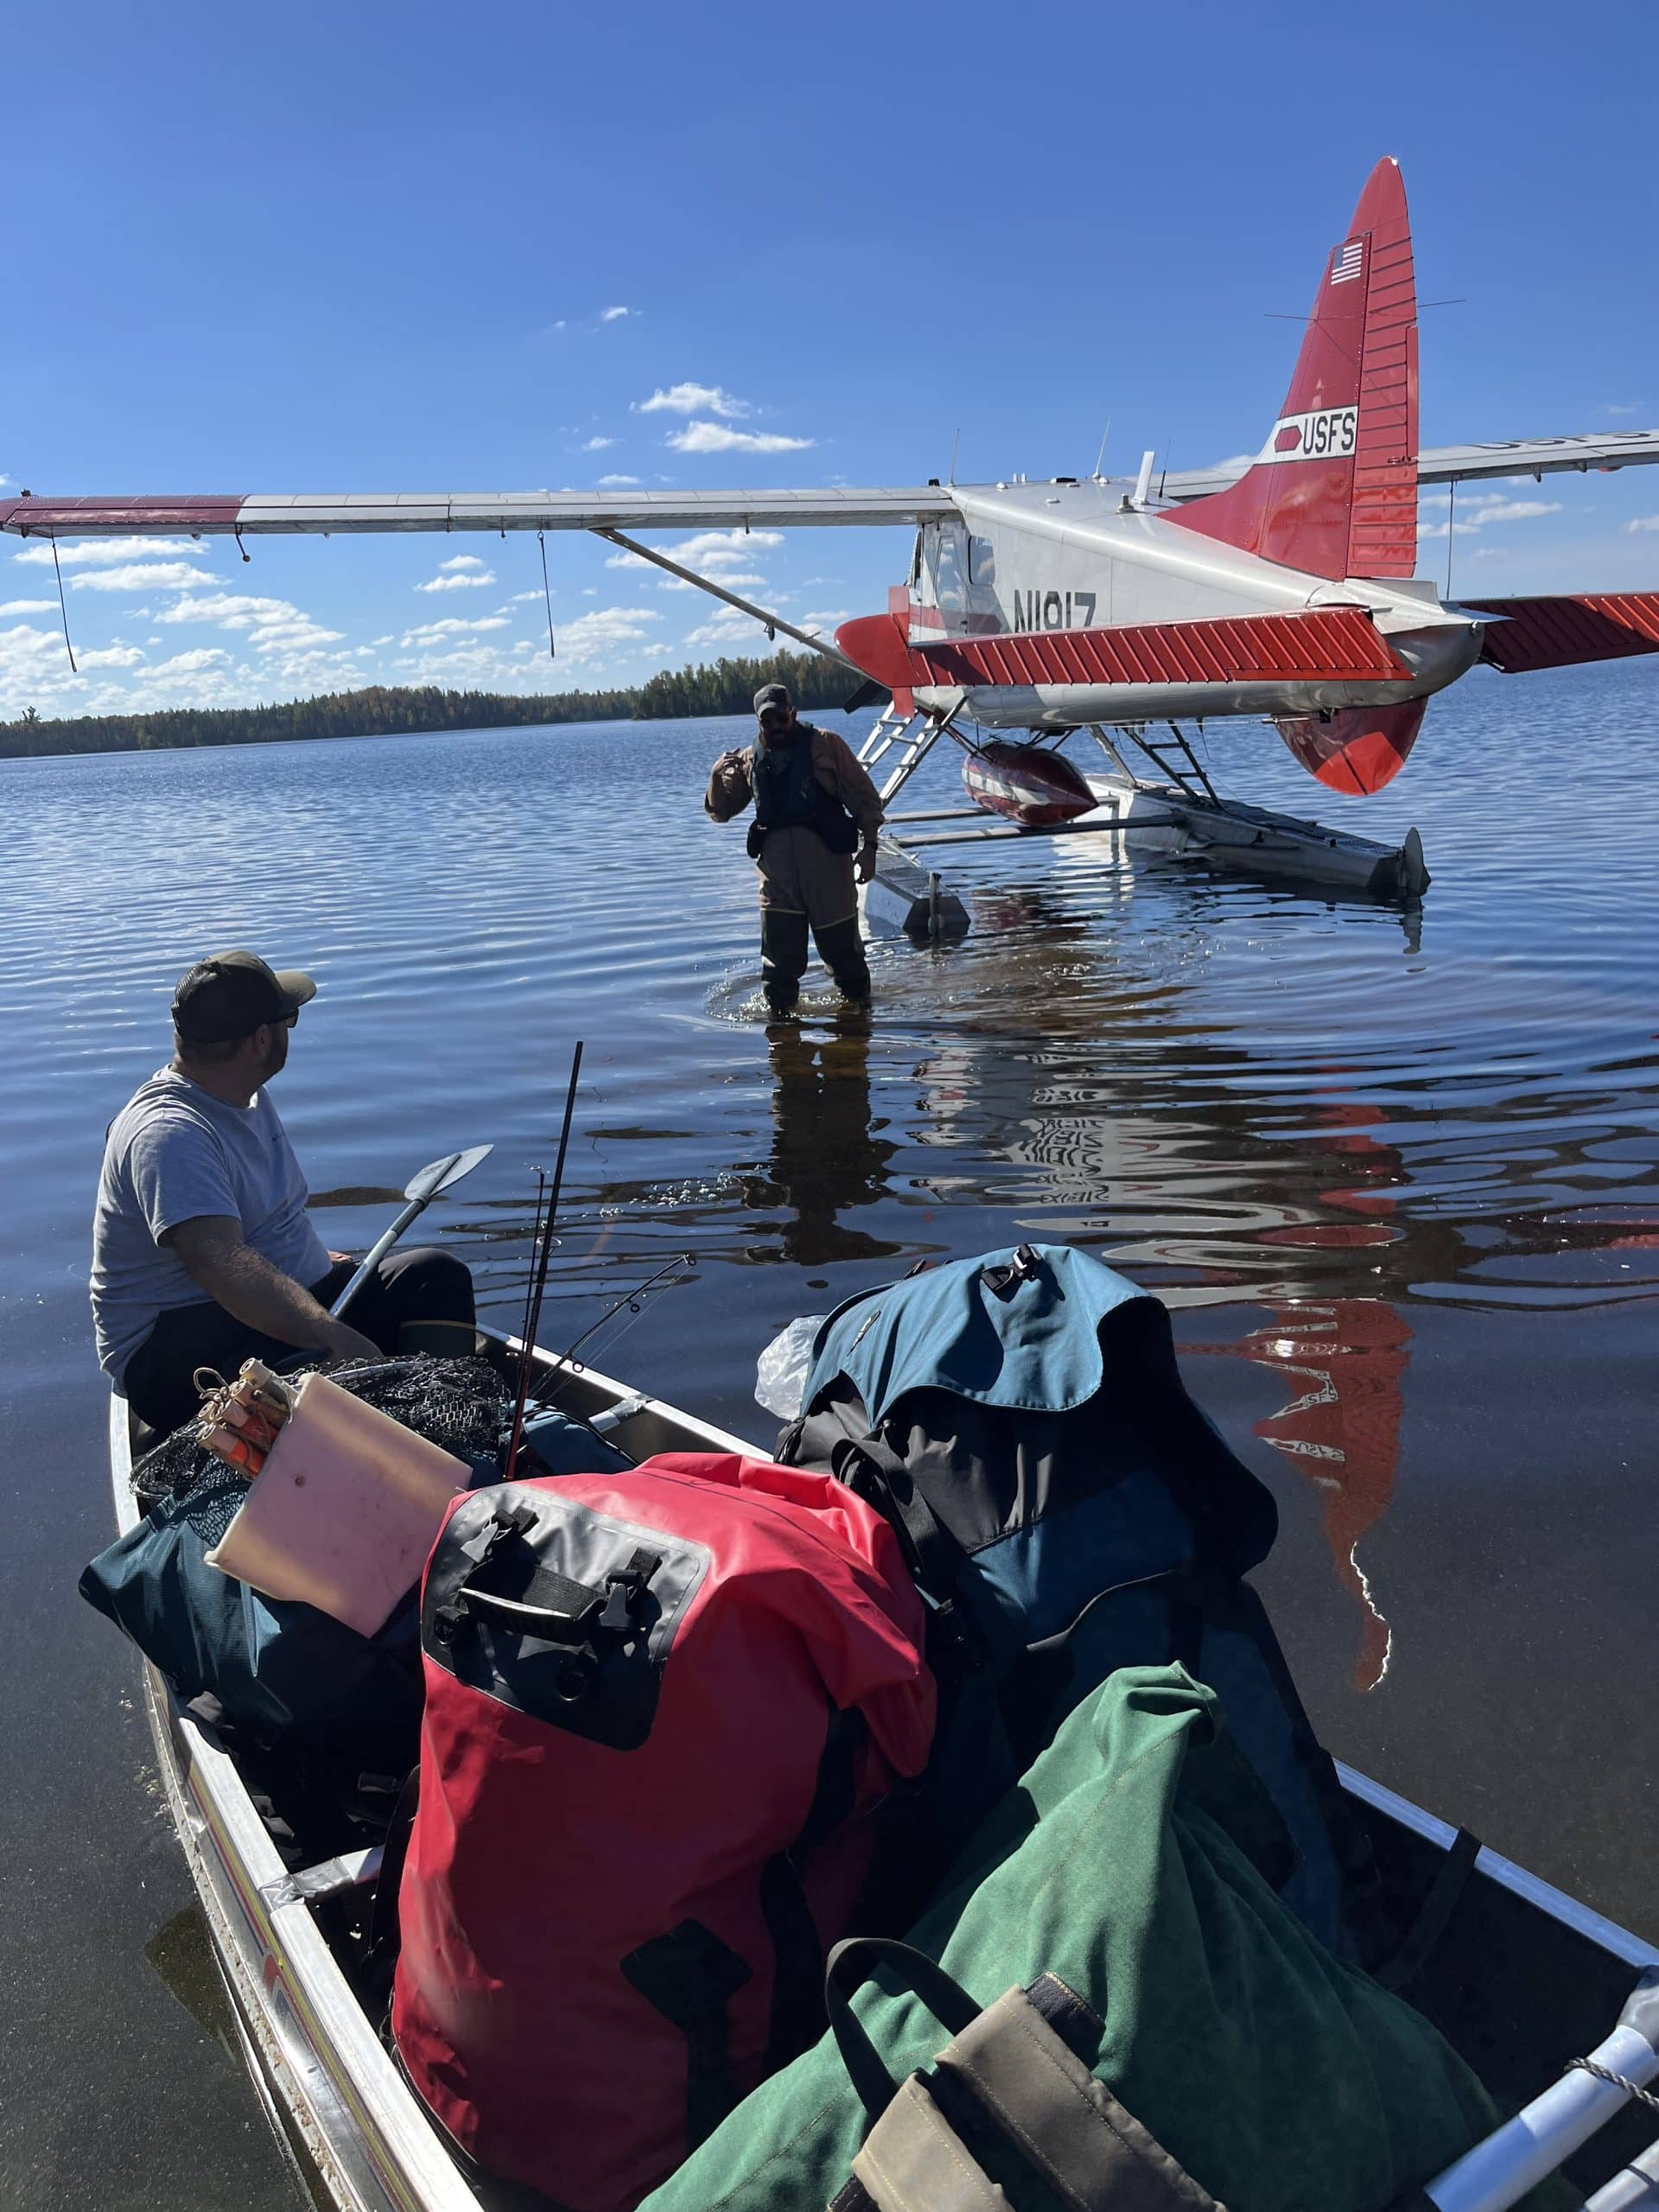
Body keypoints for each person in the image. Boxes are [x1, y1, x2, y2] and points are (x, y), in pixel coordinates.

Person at [92, 950, 477, 1437]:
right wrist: (330, 1332)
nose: (290, 1031)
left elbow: (264, 1223)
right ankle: (382, 1441)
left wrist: (310, 1261)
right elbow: (219, 1262)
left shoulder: (242, 1093)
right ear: (259, 1039)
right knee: (324, 1363)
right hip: (176, 1350)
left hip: (248, 1308)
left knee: (433, 1277)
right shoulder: (170, 1134)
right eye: (287, 1019)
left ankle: (448, 1430)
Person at [705, 682, 885, 1017]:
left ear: (794, 713)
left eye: (781, 719)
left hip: (828, 873)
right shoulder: (749, 758)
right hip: (777, 881)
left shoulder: (827, 745)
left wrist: (870, 847)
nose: (775, 727)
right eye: (767, 722)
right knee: (778, 973)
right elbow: (721, 812)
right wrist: (715, 778)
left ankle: (857, 1032)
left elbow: (865, 800)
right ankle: (784, 1045)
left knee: (846, 963)